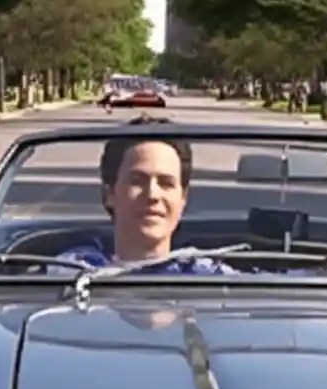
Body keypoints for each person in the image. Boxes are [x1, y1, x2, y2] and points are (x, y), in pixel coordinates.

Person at [57, 115, 239, 274]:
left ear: (183, 199)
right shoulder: (65, 273)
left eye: (166, 183)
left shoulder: (213, 279)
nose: (152, 195)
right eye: (137, 181)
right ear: (109, 194)